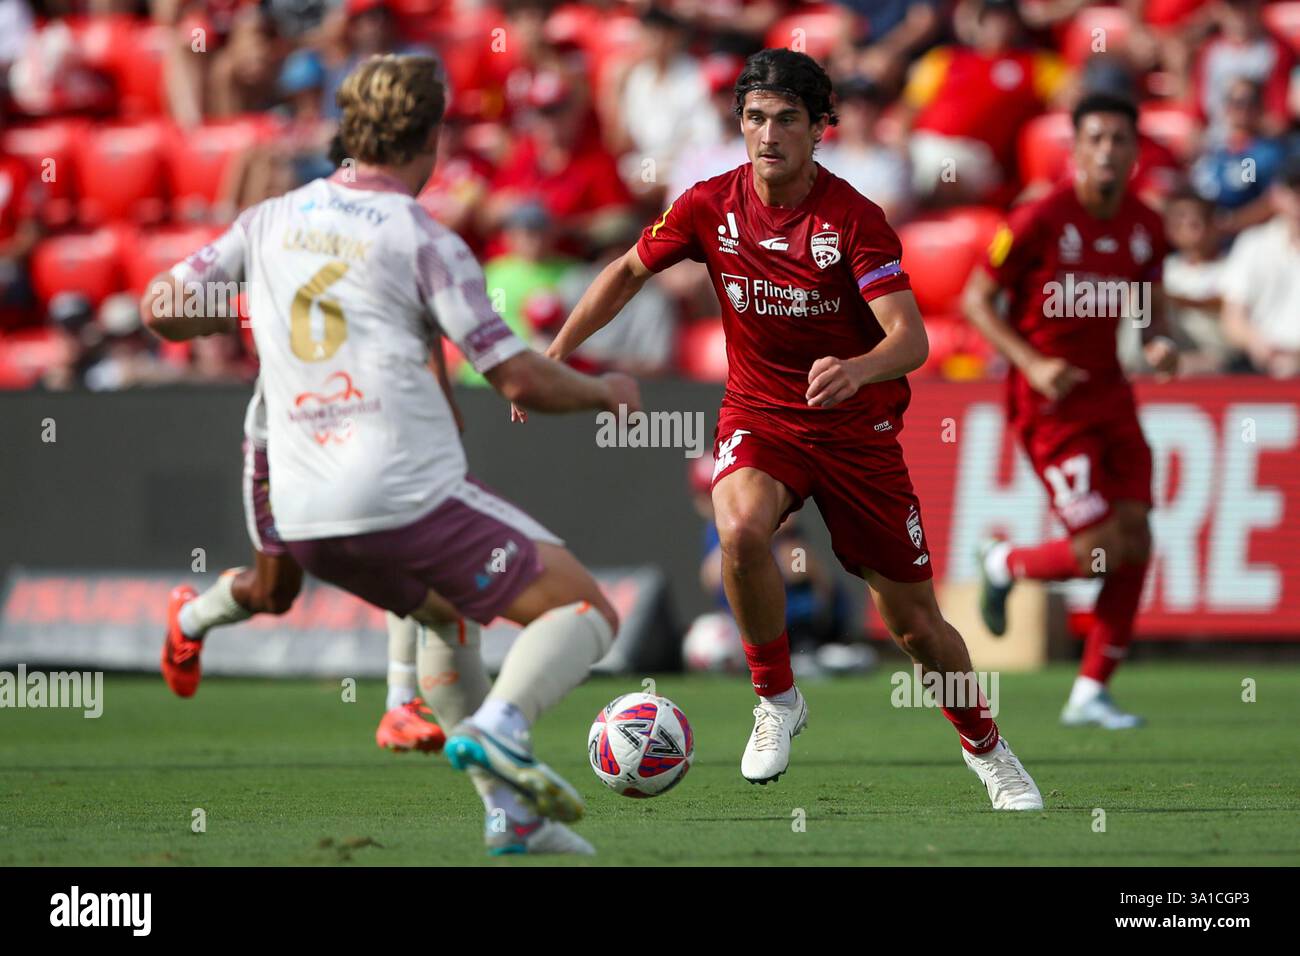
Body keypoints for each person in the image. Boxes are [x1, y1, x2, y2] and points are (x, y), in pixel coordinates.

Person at [142, 53, 641, 855]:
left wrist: (235, 313)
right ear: (431, 137)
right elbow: (515, 378)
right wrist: (604, 391)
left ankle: (510, 816)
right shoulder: (423, 237)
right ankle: (505, 727)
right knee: (586, 610)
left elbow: (161, 307)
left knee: (441, 614)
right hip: (402, 493)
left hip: (302, 509)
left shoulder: (267, 220)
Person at [545, 48, 1042, 809]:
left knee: (915, 627)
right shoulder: (709, 203)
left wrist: (860, 367)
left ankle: (988, 748)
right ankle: (775, 698)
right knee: (739, 528)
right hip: (760, 412)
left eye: (785, 120)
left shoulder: (853, 219)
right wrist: (551, 358)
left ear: (818, 130)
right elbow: (624, 273)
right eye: (753, 118)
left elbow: (910, 339)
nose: (767, 134)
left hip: (855, 430)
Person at [963, 92, 1180, 730]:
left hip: (1113, 396)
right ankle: (1004, 563)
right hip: (1049, 404)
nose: (1108, 150)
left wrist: (1162, 342)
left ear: (1136, 152)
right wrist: (1030, 362)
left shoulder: (1145, 224)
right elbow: (977, 301)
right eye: (1096, 139)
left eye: (1120, 139)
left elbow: (1153, 307)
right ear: (1076, 149)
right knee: (1097, 550)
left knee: (1136, 538)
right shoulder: (1040, 217)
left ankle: (1090, 691)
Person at [1219, 153, 1300, 377]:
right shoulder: (1252, 243)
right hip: (1260, 368)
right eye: (1293, 190)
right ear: (1276, 196)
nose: (1297, 199)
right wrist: (1259, 346)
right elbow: (1233, 318)